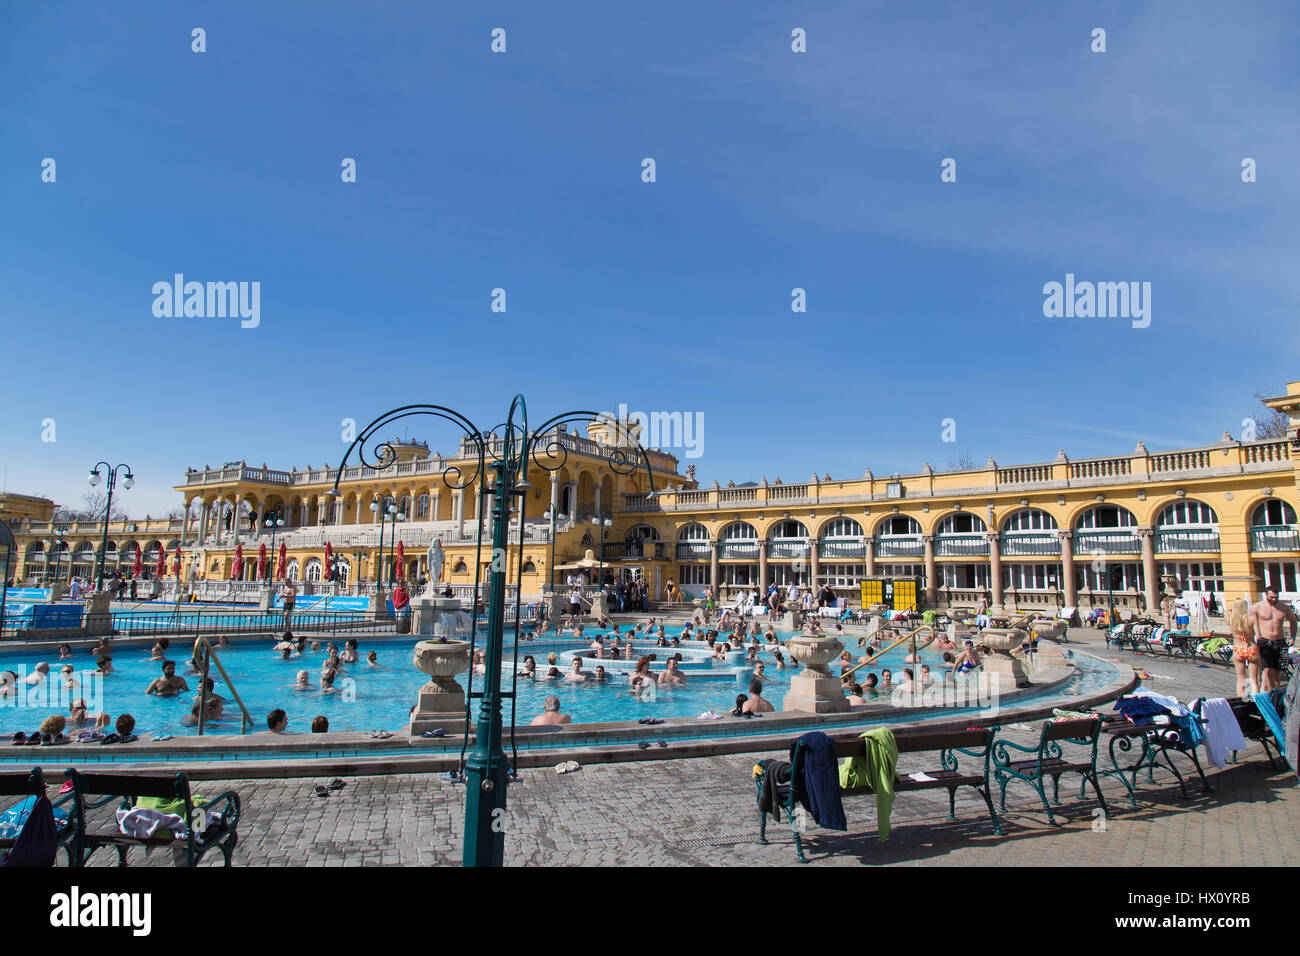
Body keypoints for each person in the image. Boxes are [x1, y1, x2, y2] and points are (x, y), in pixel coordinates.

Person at [1248, 586, 1298, 692]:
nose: (1274, 599)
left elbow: (1293, 621)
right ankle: (1270, 693)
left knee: (1279, 670)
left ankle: (1275, 692)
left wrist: (1292, 636)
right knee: (1267, 670)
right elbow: (1251, 623)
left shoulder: (1284, 607)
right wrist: (1256, 637)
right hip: (1265, 641)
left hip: (1280, 641)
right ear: (1266, 595)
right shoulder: (1257, 607)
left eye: (1276, 597)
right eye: (1272, 597)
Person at [1227, 597, 1260, 698]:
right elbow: (1258, 636)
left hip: (1238, 649)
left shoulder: (1230, 618)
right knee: (1253, 680)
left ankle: (1242, 700)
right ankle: (1254, 704)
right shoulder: (1251, 619)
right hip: (1251, 648)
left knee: (1241, 679)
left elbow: (1229, 612)